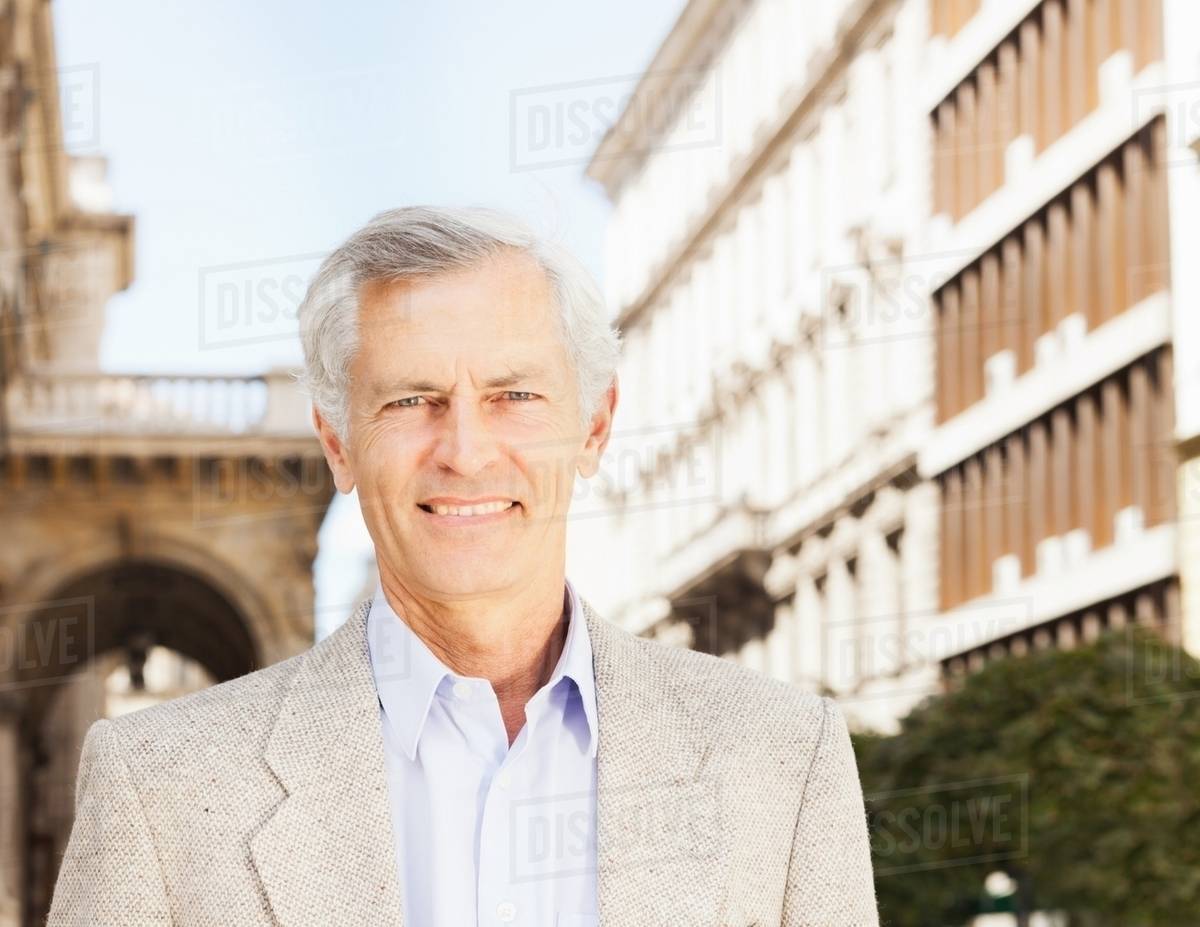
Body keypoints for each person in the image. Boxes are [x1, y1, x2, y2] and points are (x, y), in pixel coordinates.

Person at [48, 206, 879, 926]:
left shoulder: (783, 758)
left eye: (514, 395)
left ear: (594, 427)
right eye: (412, 400)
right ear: (339, 443)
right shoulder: (157, 787)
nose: (467, 450)